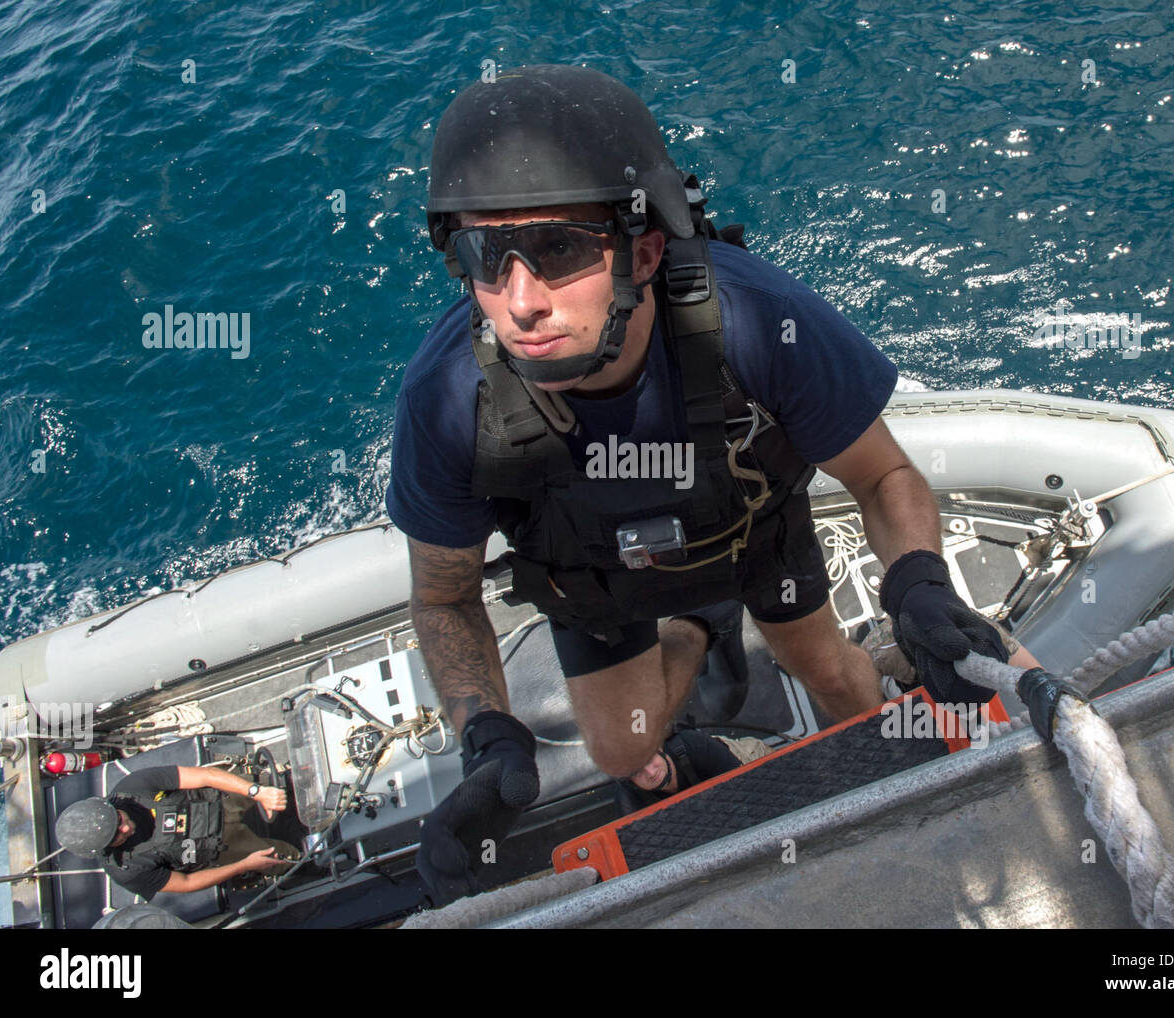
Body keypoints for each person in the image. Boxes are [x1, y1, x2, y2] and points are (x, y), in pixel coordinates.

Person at [387, 64, 1023, 908]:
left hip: (752, 538)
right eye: (484, 254)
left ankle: (884, 799)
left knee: (837, 681)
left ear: (645, 250)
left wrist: (918, 583)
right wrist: (486, 734)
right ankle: (694, 626)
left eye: (559, 250)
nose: (520, 300)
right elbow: (445, 596)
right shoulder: (447, 403)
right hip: (596, 583)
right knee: (623, 752)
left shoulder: (757, 322)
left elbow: (884, 475)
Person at [54, 764, 299, 900]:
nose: (126, 827)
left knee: (287, 787)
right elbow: (187, 882)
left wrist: (257, 792)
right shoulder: (127, 871)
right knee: (291, 858)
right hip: (227, 849)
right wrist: (244, 866)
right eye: (117, 836)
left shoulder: (131, 788)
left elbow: (204, 775)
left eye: (119, 819)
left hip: (224, 799)